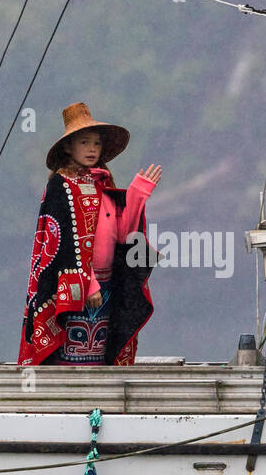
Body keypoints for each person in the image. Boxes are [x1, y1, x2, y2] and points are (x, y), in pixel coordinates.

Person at [19, 102, 161, 366]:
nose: (92, 149)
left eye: (96, 143)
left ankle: (96, 393)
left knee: (97, 352)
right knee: (72, 353)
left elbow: (123, 236)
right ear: (68, 147)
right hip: (77, 289)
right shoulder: (60, 186)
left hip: (107, 284)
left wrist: (138, 195)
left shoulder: (103, 183)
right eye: (84, 142)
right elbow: (62, 243)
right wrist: (88, 284)